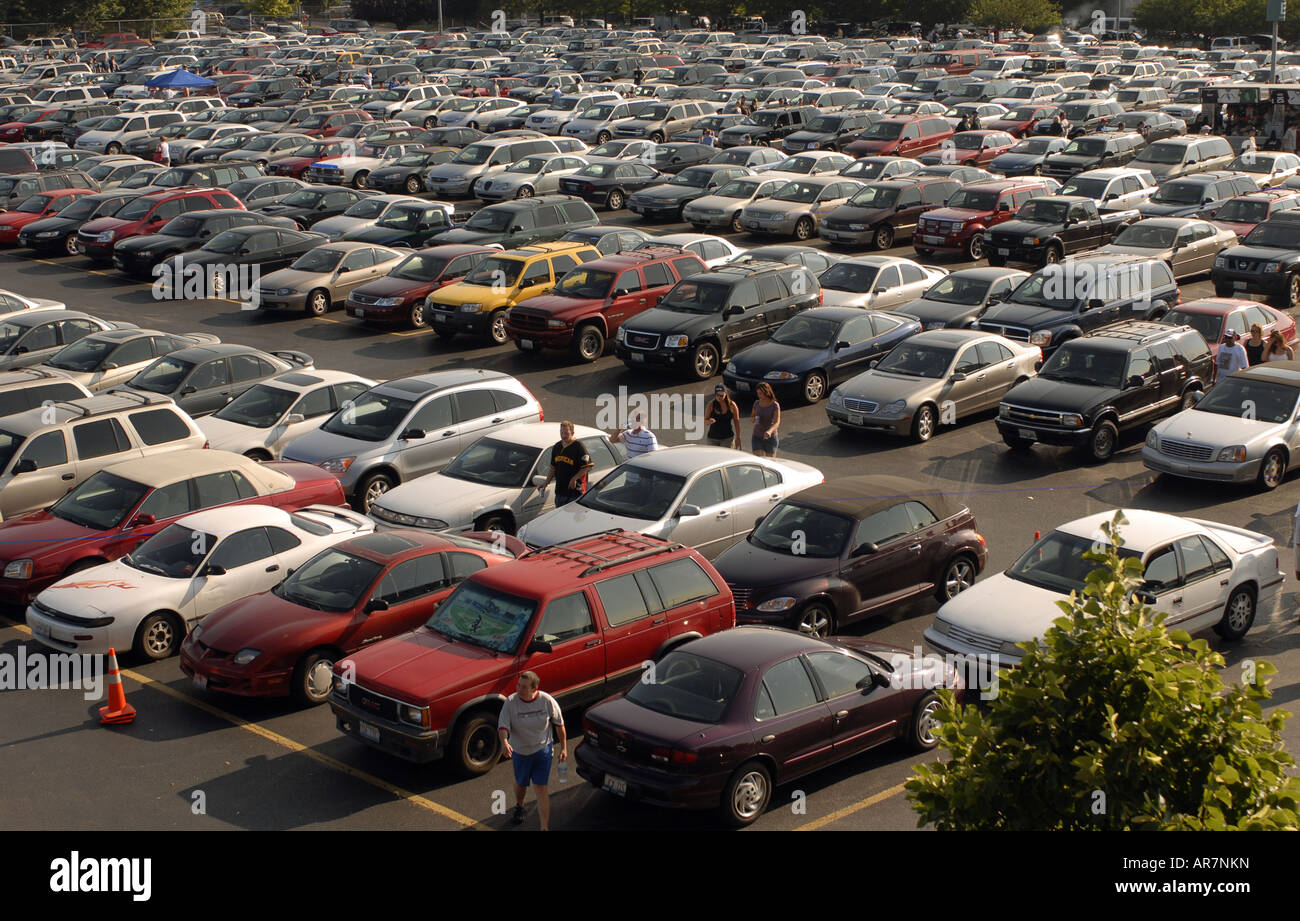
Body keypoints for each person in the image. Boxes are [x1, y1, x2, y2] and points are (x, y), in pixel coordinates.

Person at [497, 671, 566, 831]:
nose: (518, 689)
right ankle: (519, 806)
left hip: (542, 751)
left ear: (535, 689)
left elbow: (559, 725)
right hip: (520, 753)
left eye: (523, 687)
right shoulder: (511, 702)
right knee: (521, 783)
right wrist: (504, 742)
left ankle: (544, 827)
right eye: (518, 685)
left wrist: (563, 748)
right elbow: (503, 726)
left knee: (541, 787)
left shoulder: (547, 701)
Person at [543, 420, 593, 505]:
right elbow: (552, 467)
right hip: (560, 493)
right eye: (561, 433)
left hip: (574, 494)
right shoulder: (557, 447)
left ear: (572, 433)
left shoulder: (578, 446)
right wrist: (546, 483)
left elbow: (586, 467)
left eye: (566, 433)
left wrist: (574, 479)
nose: (563, 436)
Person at [705, 384, 742, 449]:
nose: (719, 397)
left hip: (727, 438)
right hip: (712, 438)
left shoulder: (732, 405)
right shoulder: (711, 405)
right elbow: (705, 421)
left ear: (726, 393)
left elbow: (736, 421)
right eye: (717, 395)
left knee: (726, 457)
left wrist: (738, 437)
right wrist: (709, 421)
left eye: (721, 395)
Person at [751, 382, 781, 456]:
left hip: (770, 438)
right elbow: (752, 416)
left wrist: (770, 431)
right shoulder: (756, 403)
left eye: (760, 393)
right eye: (758, 393)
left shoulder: (775, 405)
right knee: (759, 461)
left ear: (766, 392)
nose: (759, 395)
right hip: (757, 436)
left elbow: (777, 422)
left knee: (769, 463)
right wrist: (753, 419)